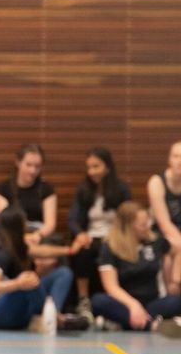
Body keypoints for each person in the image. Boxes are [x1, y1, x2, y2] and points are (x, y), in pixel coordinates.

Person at [0, 208, 82, 332]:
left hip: (15, 305)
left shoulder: (18, 247)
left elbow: (44, 251)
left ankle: (52, 314)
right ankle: (54, 318)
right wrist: (18, 284)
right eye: (24, 222)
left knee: (63, 273)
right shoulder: (1, 252)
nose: (26, 226)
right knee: (29, 280)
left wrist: (70, 250)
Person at [91, 201, 181, 336]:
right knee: (98, 301)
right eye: (142, 225)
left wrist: (175, 279)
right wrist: (133, 305)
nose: (147, 227)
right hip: (124, 303)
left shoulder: (155, 241)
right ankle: (152, 326)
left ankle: (124, 323)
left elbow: (178, 249)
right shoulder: (109, 247)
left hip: (152, 304)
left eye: (147, 222)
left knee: (176, 300)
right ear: (128, 227)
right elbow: (111, 287)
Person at [68, 147, 131, 321]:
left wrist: (114, 237)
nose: (92, 172)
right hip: (91, 237)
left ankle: (115, 299)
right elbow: (73, 219)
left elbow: (127, 218)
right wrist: (80, 234)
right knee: (82, 251)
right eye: (89, 167)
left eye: (96, 167)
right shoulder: (83, 190)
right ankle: (83, 299)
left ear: (107, 167)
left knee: (110, 251)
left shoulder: (121, 190)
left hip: (115, 238)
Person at [0, 144, 57, 243]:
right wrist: (21, 237)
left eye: (37, 166)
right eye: (29, 165)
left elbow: (50, 224)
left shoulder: (47, 189)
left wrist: (38, 235)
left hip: (39, 234)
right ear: (18, 163)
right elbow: (5, 222)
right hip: (12, 234)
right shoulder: (3, 189)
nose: (33, 171)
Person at [145, 141, 181, 293]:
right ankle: (174, 291)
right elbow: (163, 222)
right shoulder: (157, 182)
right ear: (169, 159)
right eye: (176, 156)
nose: (180, 161)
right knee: (169, 254)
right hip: (162, 232)